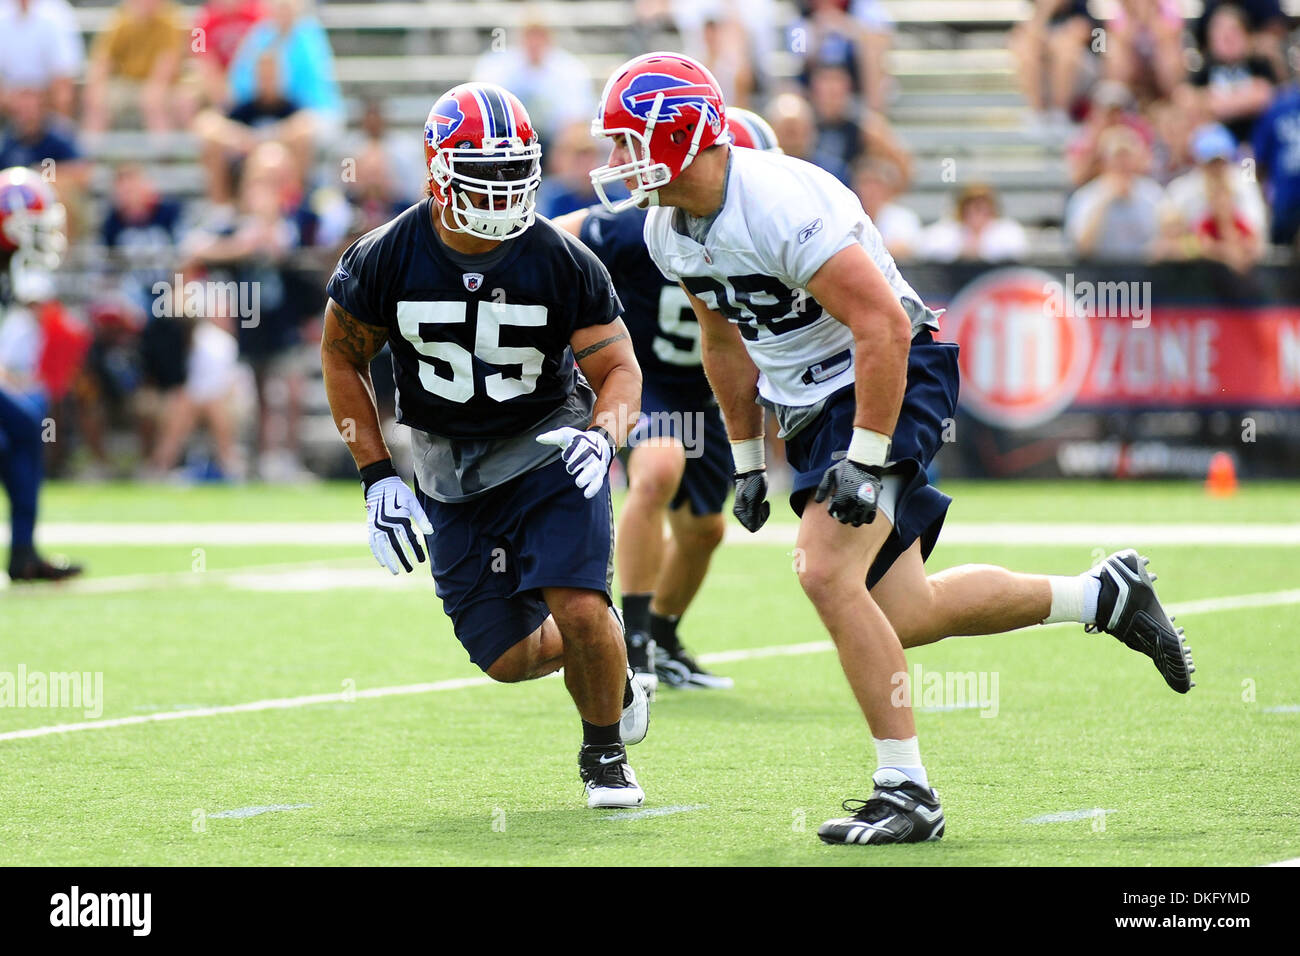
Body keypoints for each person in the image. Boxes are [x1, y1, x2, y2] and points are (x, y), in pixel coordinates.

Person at [590, 51, 1194, 845]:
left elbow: (881, 324)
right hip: (812, 405)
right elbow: (723, 342)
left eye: (631, 139)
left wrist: (867, 455)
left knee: (825, 569)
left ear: (682, 133)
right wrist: (744, 458)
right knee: (905, 612)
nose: (618, 161)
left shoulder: (775, 200)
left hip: (886, 373)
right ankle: (1104, 595)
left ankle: (906, 788)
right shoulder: (669, 230)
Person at [321, 83, 649, 808]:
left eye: (513, 174)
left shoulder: (561, 258)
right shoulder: (385, 256)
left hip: (549, 451)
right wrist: (376, 475)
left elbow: (619, 369)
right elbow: (341, 358)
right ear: (438, 173)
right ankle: (610, 651)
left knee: (579, 606)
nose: (502, 194)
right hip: (449, 470)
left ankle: (605, 754)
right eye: (484, 176)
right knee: (507, 658)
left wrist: (605, 434)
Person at [553, 107, 780, 693]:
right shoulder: (641, 226)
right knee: (656, 470)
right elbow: (555, 240)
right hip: (643, 376)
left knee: (705, 531)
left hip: (707, 392)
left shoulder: (772, 238)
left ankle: (662, 634)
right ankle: (630, 640)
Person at [0, 166, 82, 581]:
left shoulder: (8, 277)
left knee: (21, 426)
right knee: (24, 423)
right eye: (33, 225)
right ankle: (23, 553)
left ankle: (24, 554)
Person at [1064, 126, 1164, 261]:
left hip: (1144, 274)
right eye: (1117, 157)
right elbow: (1081, 248)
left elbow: (1165, 240)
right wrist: (1104, 202)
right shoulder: (1086, 196)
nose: (1122, 163)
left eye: (1127, 156)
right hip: (1100, 276)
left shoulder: (1152, 194)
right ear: (1104, 161)